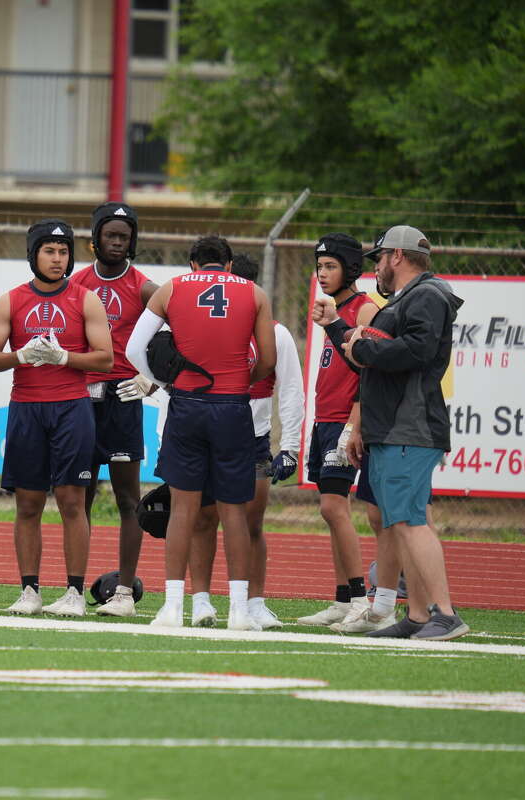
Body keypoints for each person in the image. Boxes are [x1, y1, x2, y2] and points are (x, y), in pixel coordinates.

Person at [317, 225, 468, 640]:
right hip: (394, 425)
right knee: (399, 521)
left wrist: (363, 346)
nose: (377, 267)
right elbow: (369, 361)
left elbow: (416, 350)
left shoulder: (426, 295)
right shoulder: (410, 297)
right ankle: (418, 615)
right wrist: (340, 333)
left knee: (410, 521)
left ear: (396, 256)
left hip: (410, 425)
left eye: (380, 258)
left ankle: (445, 613)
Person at [126, 235, 276, 630]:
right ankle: (240, 611)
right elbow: (268, 359)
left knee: (184, 509)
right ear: (227, 265)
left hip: (188, 403)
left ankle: (174, 606)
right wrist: (239, 383)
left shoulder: (173, 287)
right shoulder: (255, 292)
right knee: (234, 512)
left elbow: (134, 347)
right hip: (232, 406)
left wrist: (164, 379)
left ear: (194, 263)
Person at [0, 219, 113, 617]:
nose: (58, 259)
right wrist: (19, 355)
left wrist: (64, 357)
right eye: (49, 251)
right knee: (28, 504)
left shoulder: (86, 298)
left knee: (73, 502)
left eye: (64, 252)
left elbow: (105, 358)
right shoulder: (11, 300)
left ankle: (74, 594)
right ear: (33, 254)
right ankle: (29, 591)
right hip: (27, 407)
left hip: (72, 407)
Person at [186, 253, 304, 629]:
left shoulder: (277, 333)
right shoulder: (205, 326)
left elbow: (291, 391)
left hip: (252, 440)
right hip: (206, 435)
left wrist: (290, 447)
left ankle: (254, 603)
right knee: (203, 518)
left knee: (252, 522)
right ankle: (200, 601)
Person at [69, 202, 158, 617]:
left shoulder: (144, 287)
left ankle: (124, 594)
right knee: (79, 496)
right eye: (111, 235)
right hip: (82, 398)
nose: (118, 242)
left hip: (124, 399)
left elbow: (181, 327)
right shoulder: (76, 283)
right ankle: (72, 590)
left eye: (125, 236)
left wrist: (155, 379)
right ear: (96, 239)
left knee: (128, 499)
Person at [295, 234, 377, 629]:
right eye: (319, 266)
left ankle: (362, 598)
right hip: (323, 418)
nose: (322, 274)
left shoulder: (365, 309)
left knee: (333, 507)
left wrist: (353, 424)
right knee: (331, 511)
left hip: (346, 420)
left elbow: (368, 370)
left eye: (330, 266)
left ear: (350, 267)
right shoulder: (330, 309)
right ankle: (343, 598)